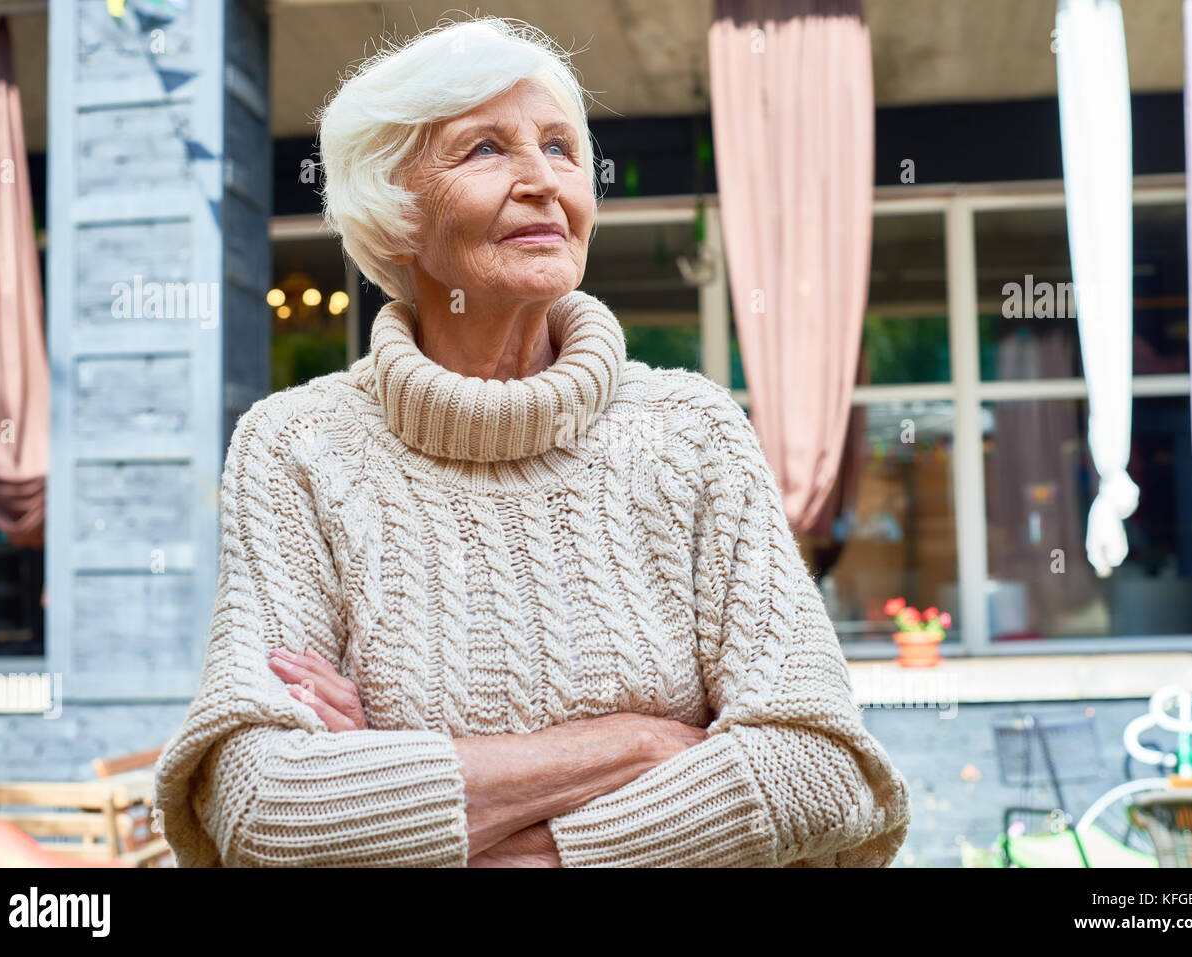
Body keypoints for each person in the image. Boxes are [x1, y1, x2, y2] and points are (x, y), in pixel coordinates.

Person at [152, 15, 911, 868]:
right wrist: (642, 747)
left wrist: (436, 816)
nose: (544, 181)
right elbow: (261, 802)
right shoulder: (296, 447)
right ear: (395, 214)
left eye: (559, 147)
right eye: (485, 150)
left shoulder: (693, 432)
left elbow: (819, 769)